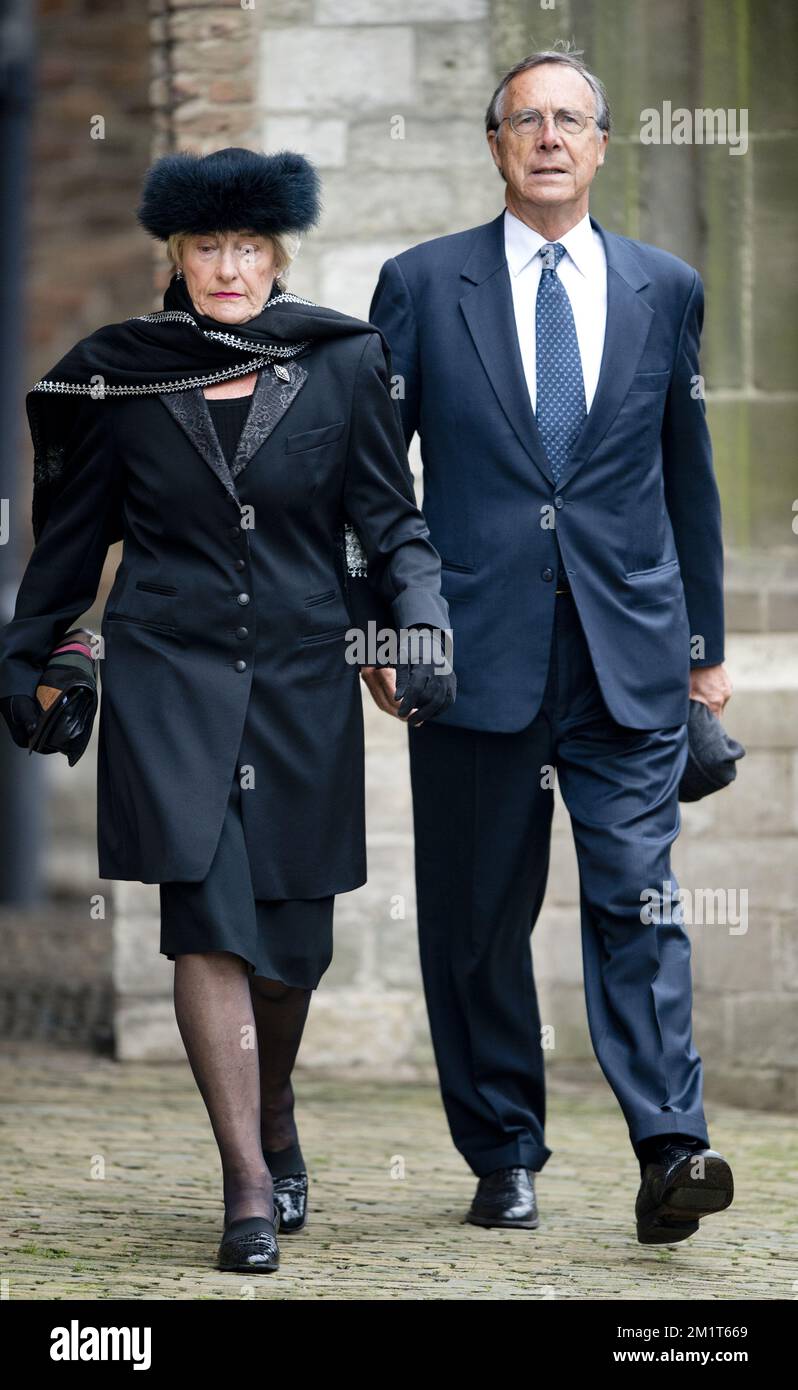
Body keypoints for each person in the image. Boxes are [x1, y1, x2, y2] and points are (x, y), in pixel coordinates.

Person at [0, 146, 455, 1273]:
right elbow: (72, 540)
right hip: (171, 674)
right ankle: (245, 1182)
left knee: (291, 940)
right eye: (209, 247)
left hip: (305, 671)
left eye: (250, 246)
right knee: (207, 919)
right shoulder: (124, 373)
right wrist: (32, 655)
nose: (230, 266)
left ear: (277, 252)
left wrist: (420, 625)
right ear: (178, 254)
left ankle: (277, 1106)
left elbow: (392, 524)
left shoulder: (341, 361)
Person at [366, 48, 734, 1244]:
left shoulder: (663, 286)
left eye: (573, 119)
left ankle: (671, 1147)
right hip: (474, 656)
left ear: (604, 145)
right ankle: (505, 1151)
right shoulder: (422, 284)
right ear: (496, 145)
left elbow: (689, 477)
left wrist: (703, 647)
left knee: (643, 900)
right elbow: (375, 481)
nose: (550, 137)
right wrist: (387, 620)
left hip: (627, 656)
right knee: (476, 922)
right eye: (527, 119)